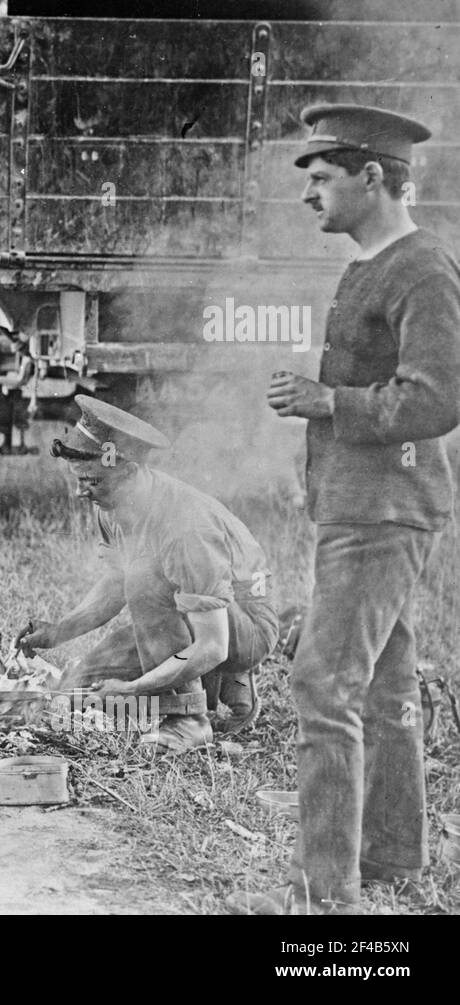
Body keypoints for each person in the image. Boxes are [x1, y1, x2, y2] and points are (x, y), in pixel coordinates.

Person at [228, 105, 460, 914]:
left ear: (374, 177)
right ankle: (394, 861)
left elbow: (437, 398)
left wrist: (330, 402)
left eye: (323, 178)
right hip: (362, 506)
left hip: (383, 513)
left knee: (322, 685)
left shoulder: (423, 268)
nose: (309, 195)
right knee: (385, 690)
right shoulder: (371, 263)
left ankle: (323, 894)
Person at [16, 396, 279, 752]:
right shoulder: (112, 504)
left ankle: (189, 718)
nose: (81, 492)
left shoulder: (185, 529)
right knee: (76, 688)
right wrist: (58, 631)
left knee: (145, 580)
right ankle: (218, 685)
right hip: (197, 615)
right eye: (79, 480)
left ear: (130, 473)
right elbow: (114, 585)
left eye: (91, 481)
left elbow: (212, 644)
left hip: (243, 627)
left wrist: (135, 689)